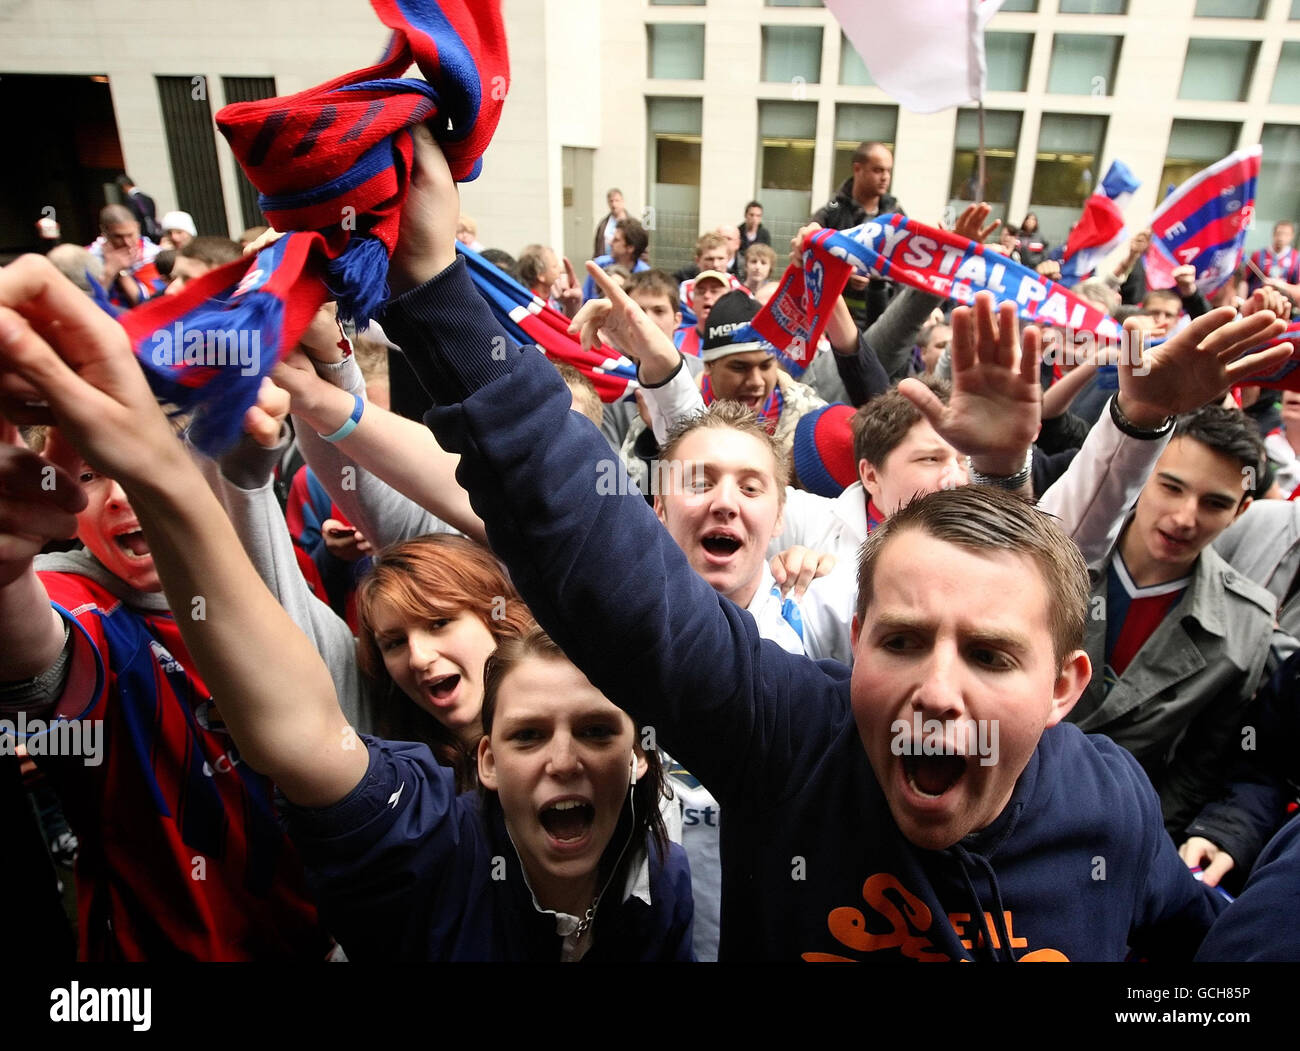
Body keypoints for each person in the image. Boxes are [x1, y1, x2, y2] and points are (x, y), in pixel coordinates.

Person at [365, 129, 1296, 960]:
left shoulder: (1113, 806)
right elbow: (595, 549)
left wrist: (1093, 440)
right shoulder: (791, 737)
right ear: (851, 642)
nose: (937, 688)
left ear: (1064, 686)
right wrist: (436, 286)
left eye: (989, 652)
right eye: (900, 639)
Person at [0, 255, 694, 963]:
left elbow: (529, 515)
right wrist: (172, 473)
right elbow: (296, 725)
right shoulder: (417, 829)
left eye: (597, 730)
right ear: (485, 760)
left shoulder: (661, 883)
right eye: (524, 736)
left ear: (643, 756)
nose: (564, 759)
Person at [354, 535, 536, 791]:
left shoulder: (580, 705)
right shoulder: (405, 781)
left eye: (439, 623)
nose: (418, 658)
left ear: (496, 617)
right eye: (395, 643)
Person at [814, 141, 904, 329]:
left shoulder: (896, 216)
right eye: (878, 170)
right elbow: (812, 257)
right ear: (858, 169)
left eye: (888, 171)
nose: (885, 177)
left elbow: (906, 265)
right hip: (835, 320)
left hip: (884, 317)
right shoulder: (831, 213)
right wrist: (844, 274)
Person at [581, 217, 649, 301]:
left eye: (616, 240)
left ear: (630, 248)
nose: (610, 243)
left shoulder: (644, 275)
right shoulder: (598, 265)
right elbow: (585, 299)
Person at [115, 174, 161, 243]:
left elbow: (132, 218)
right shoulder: (148, 198)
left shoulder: (130, 200)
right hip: (154, 232)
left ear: (124, 187)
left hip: (141, 235)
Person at [592, 188, 629, 260]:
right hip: (606, 263)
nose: (614, 204)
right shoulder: (603, 224)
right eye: (611, 201)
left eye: (617, 201)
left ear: (623, 202)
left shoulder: (630, 223)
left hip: (624, 263)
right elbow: (597, 246)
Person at [738, 201, 771, 265]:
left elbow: (767, 254)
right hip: (740, 266)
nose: (754, 218)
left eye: (758, 216)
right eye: (751, 215)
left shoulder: (764, 234)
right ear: (745, 215)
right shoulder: (738, 232)